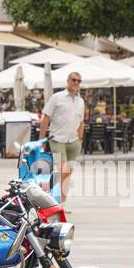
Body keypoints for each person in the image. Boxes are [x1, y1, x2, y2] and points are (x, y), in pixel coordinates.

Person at [40, 72, 87, 201]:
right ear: (68, 81)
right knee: (64, 169)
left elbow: (82, 122)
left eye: (79, 81)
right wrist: (41, 139)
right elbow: (46, 118)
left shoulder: (81, 101)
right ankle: (54, 198)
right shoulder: (56, 97)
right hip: (57, 140)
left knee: (68, 172)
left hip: (74, 141)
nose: (76, 82)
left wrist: (80, 139)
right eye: (74, 80)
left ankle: (61, 201)